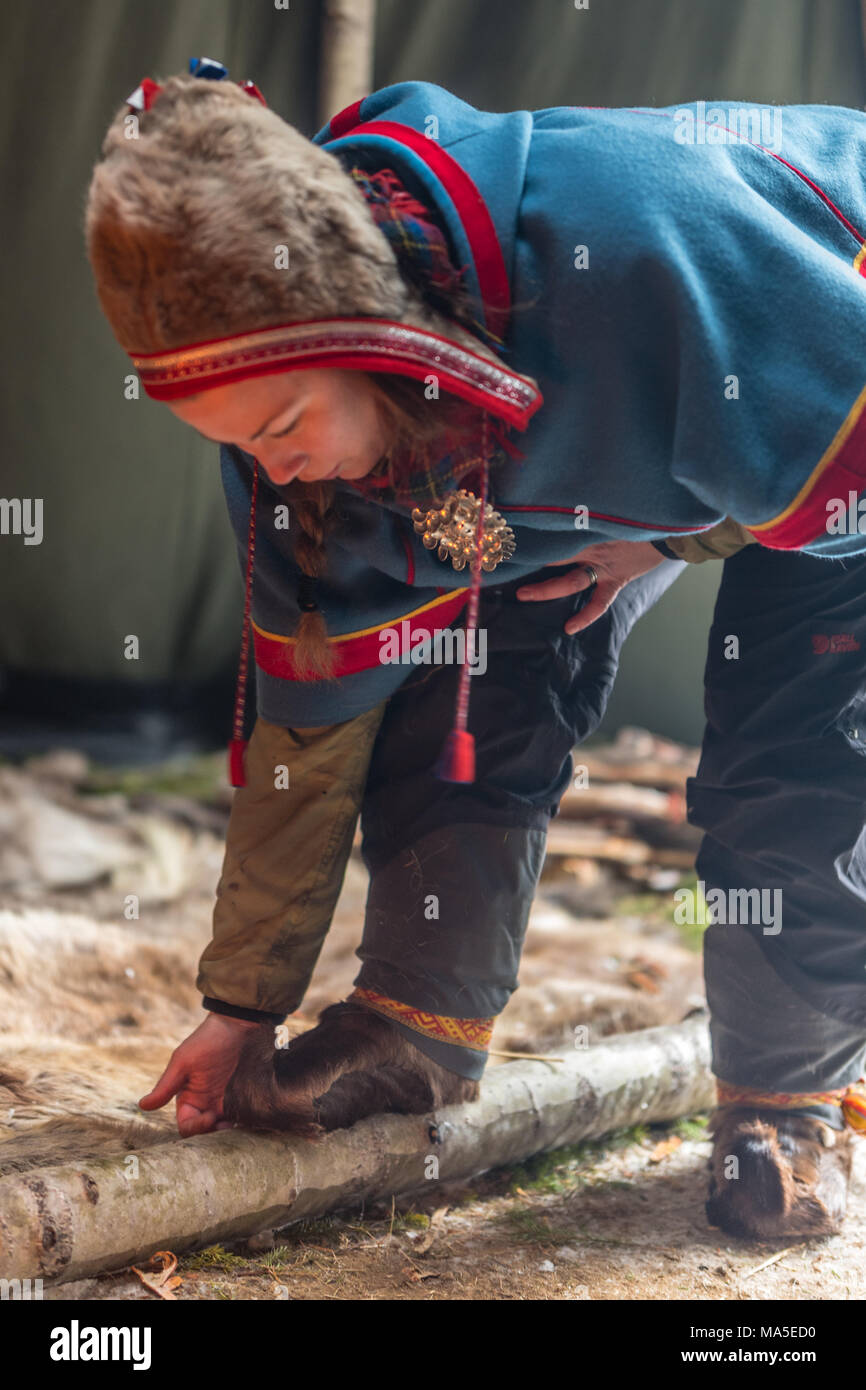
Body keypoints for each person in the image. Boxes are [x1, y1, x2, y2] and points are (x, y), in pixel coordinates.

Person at [85, 61, 866, 1239]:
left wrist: (673, 532)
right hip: (576, 461)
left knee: (790, 753)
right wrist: (240, 1006)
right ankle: (416, 1028)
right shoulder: (291, 458)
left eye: (285, 427)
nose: (270, 466)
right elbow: (307, 732)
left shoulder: (644, 253)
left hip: (822, 394)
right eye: (236, 443)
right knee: (456, 658)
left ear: (377, 333)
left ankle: (783, 1103)